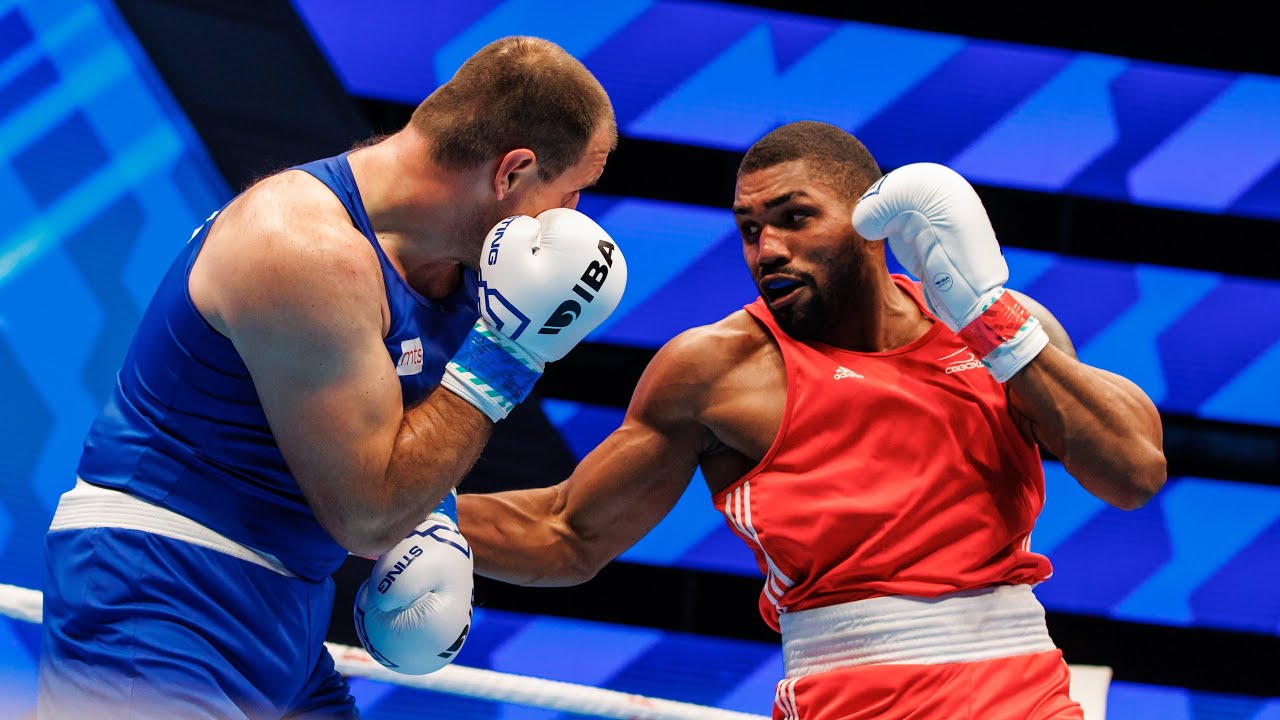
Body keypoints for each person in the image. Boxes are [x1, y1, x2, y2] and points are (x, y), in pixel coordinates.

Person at [455, 121, 1167, 720]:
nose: (768, 250)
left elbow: (1134, 472)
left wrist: (991, 317)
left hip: (1026, 696)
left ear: (872, 221)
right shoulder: (719, 369)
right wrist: (377, 512)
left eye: (795, 218)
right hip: (851, 701)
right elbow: (567, 533)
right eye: (749, 229)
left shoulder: (993, 330)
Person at [37, 36, 626, 719]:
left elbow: (390, 445)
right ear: (513, 171)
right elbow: (369, 515)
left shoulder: (460, 268)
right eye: (574, 192)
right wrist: (509, 356)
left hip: (284, 610)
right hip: (157, 594)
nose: (572, 222)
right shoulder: (300, 246)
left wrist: (436, 519)